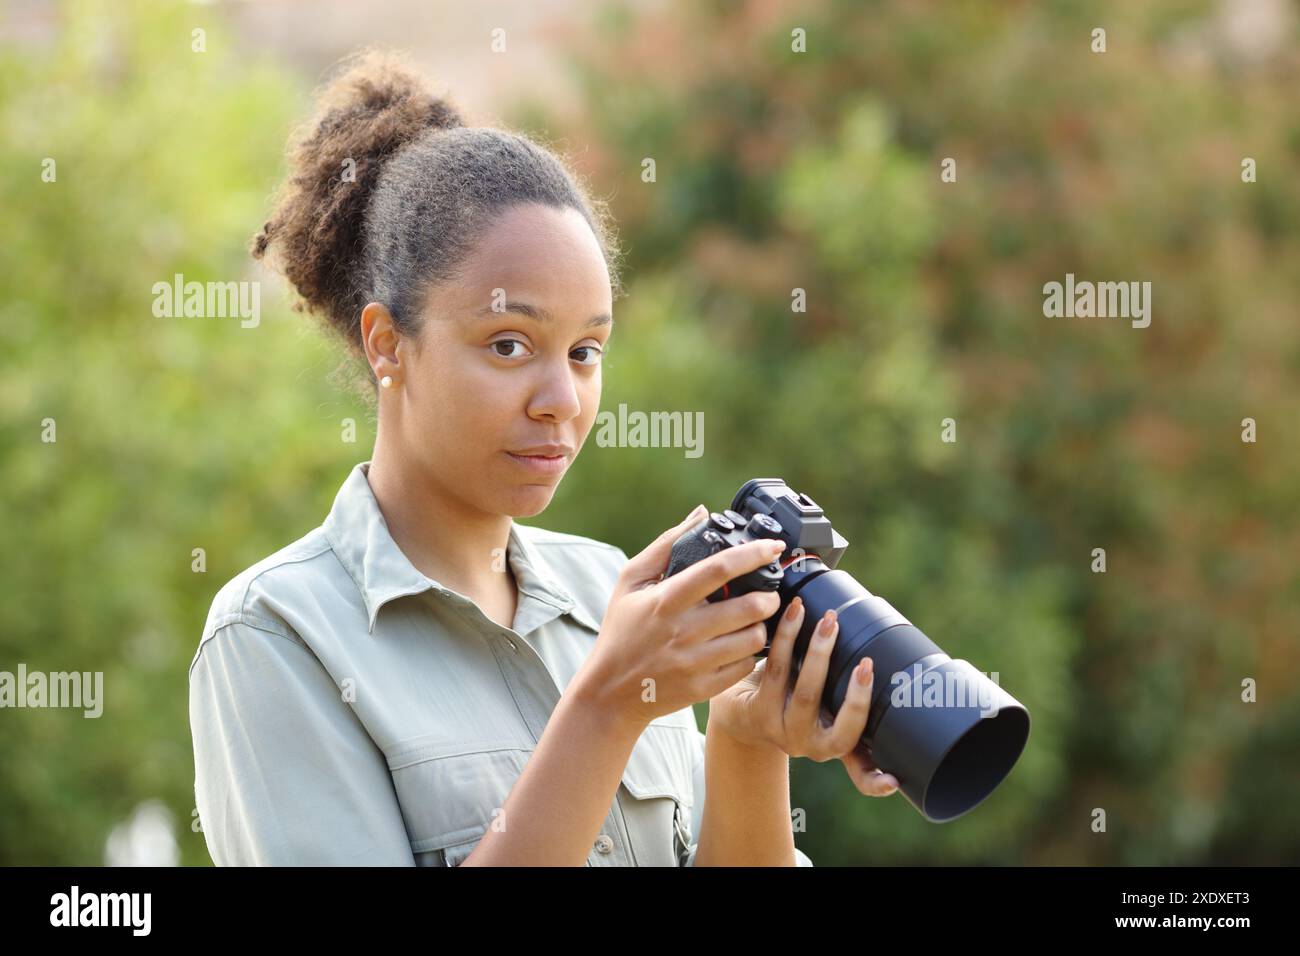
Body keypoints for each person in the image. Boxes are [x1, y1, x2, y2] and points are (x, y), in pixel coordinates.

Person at [188, 49, 898, 867]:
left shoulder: (616, 597)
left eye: (586, 351)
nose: (561, 398)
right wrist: (606, 706)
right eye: (509, 344)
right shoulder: (276, 635)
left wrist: (744, 742)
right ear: (387, 344)